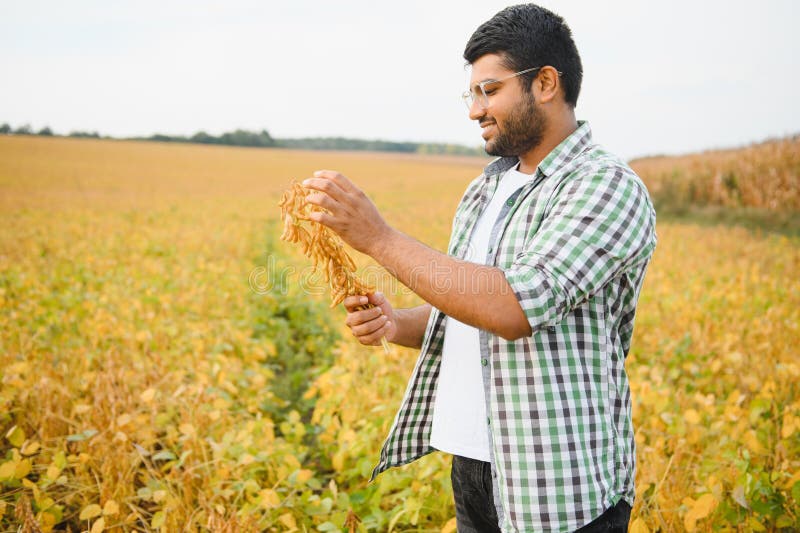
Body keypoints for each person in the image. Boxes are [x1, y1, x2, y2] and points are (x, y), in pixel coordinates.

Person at [301, 3, 657, 531]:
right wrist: (398, 323)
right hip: (475, 470)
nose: (474, 110)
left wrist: (377, 237)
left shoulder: (604, 185)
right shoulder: (486, 187)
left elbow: (512, 304)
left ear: (545, 83)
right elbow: (470, 307)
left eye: (490, 91)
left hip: (557, 486)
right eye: (471, 93)